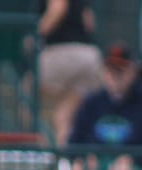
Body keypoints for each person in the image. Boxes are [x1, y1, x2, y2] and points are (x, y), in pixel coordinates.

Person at [38, 0, 103, 148]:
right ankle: (63, 160)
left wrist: (35, 34)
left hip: (63, 50)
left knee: (27, 90)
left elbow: (58, 8)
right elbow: (89, 23)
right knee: (64, 117)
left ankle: (42, 148)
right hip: (90, 56)